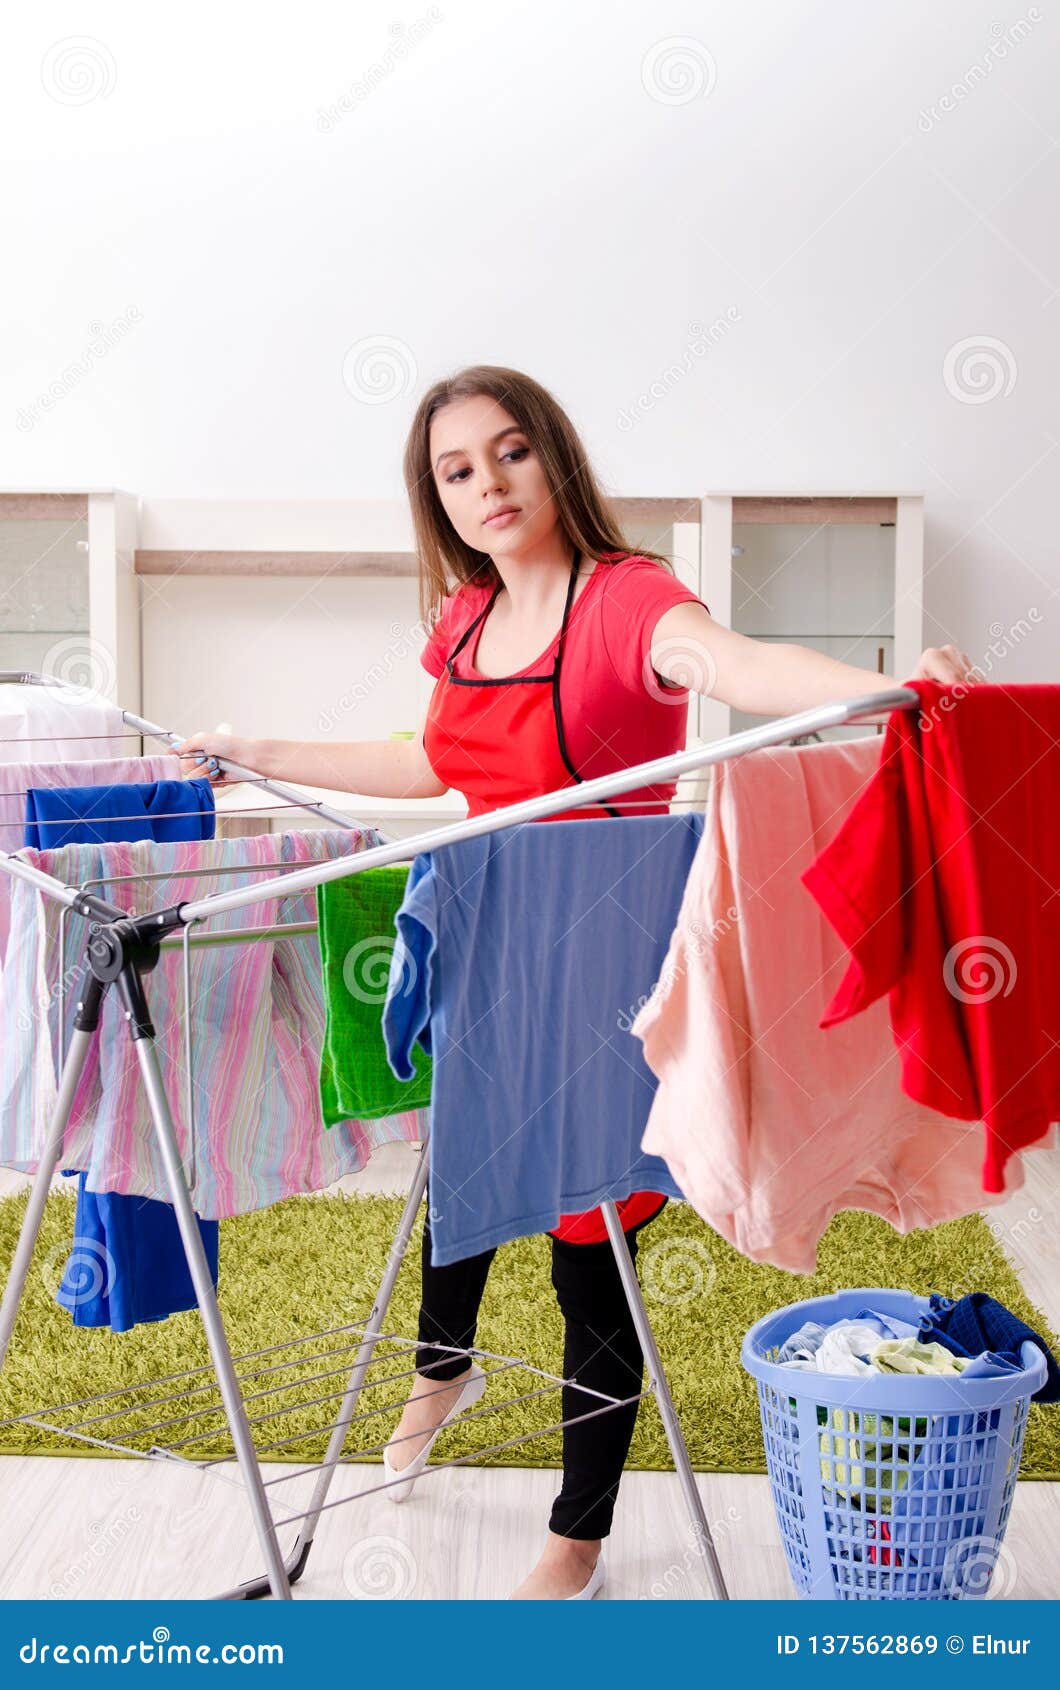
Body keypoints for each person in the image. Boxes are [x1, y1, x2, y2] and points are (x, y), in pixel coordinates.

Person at [177, 364, 978, 1600]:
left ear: (554, 457)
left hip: (606, 969)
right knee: (461, 1170)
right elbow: (438, 768)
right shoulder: (460, 622)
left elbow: (733, 662)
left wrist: (886, 692)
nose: (487, 485)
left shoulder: (630, 599)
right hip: (489, 947)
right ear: (433, 496)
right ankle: (444, 1366)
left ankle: (578, 1536)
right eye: (456, 470)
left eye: (509, 453)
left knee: (586, 1245)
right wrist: (253, 748)